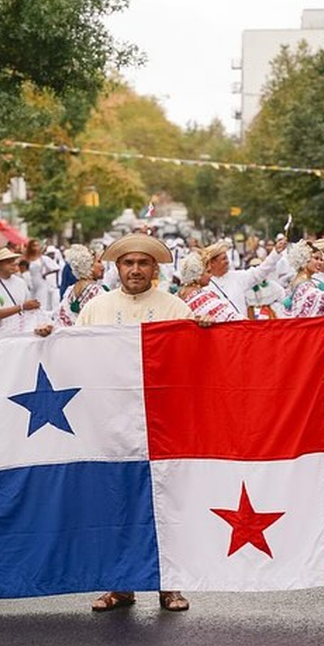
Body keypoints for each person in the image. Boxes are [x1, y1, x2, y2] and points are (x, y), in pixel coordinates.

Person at [49, 233, 194, 612]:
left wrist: (207, 335)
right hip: (109, 423)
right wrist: (46, 340)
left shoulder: (176, 308)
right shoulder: (97, 308)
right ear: (117, 268)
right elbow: (72, 355)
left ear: (155, 269)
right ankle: (119, 584)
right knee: (115, 503)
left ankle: (170, 586)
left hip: (162, 422)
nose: (135, 270)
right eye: (128, 263)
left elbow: (194, 362)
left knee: (166, 504)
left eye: (143, 263)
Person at [205, 237, 286, 318]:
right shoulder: (205, 285)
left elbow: (260, 272)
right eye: (223, 259)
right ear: (212, 262)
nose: (227, 261)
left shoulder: (238, 277)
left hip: (241, 328)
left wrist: (275, 253)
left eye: (227, 258)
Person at [175, 250, 240, 323]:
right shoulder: (205, 298)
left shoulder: (178, 295)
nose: (211, 275)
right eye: (208, 272)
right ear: (198, 274)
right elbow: (234, 320)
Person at [0, 248, 43, 333]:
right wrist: (22, 307)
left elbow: (27, 304)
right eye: (9, 262)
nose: (14, 264)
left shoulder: (20, 282)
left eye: (13, 261)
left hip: (19, 331)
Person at [55, 245, 106, 327]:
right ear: (88, 265)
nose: (103, 267)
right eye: (99, 262)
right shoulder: (99, 292)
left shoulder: (70, 290)